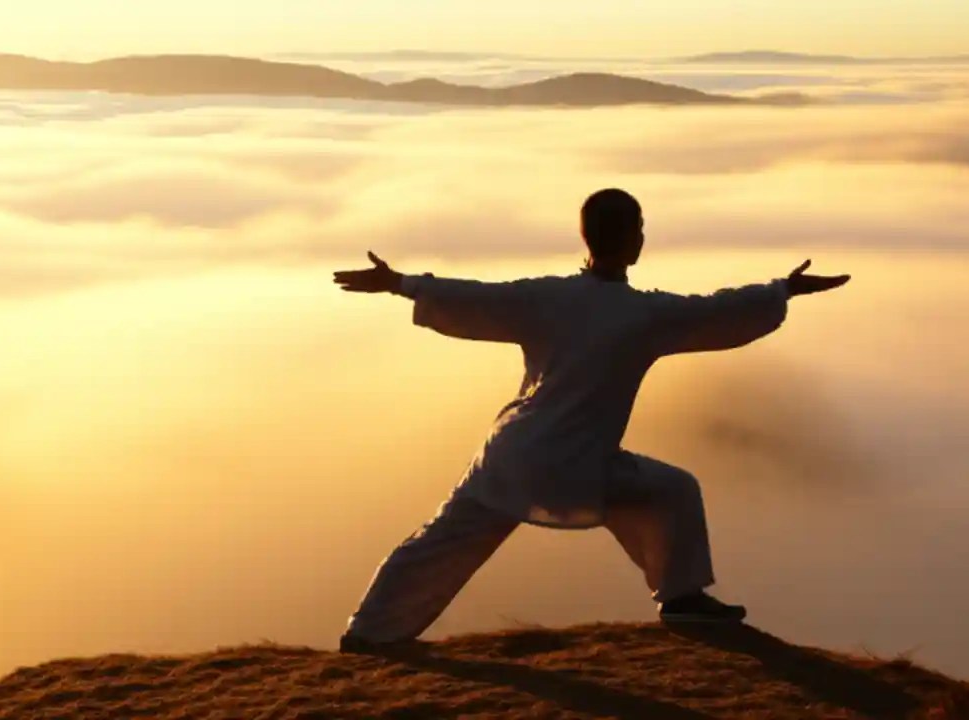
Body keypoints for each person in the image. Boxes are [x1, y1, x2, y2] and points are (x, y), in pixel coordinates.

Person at [333, 188, 849, 652]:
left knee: (441, 540)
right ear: (632, 240)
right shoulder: (645, 314)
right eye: (640, 228)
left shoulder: (545, 297)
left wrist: (400, 282)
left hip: (510, 452)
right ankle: (682, 600)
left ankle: (368, 632)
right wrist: (783, 288)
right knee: (673, 491)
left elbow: (475, 297)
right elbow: (716, 311)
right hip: (579, 465)